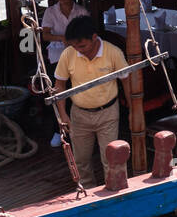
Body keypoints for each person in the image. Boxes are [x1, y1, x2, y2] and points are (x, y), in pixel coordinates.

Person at [52, 16, 130, 189]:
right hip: (79, 115)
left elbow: (126, 81)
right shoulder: (68, 54)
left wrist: (133, 109)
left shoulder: (113, 52)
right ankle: (86, 193)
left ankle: (114, 191)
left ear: (94, 37)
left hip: (108, 113)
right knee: (81, 161)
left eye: (82, 46)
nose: (79, 50)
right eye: (74, 46)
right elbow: (60, 84)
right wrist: (63, 114)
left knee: (111, 158)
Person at [40, 0, 90, 147]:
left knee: (78, 92)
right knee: (58, 94)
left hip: (78, 55)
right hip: (57, 56)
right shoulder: (51, 11)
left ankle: (81, 131)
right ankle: (58, 130)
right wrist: (62, 38)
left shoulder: (81, 11)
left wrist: (75, 40)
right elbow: (45, 35)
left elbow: (88, 32)